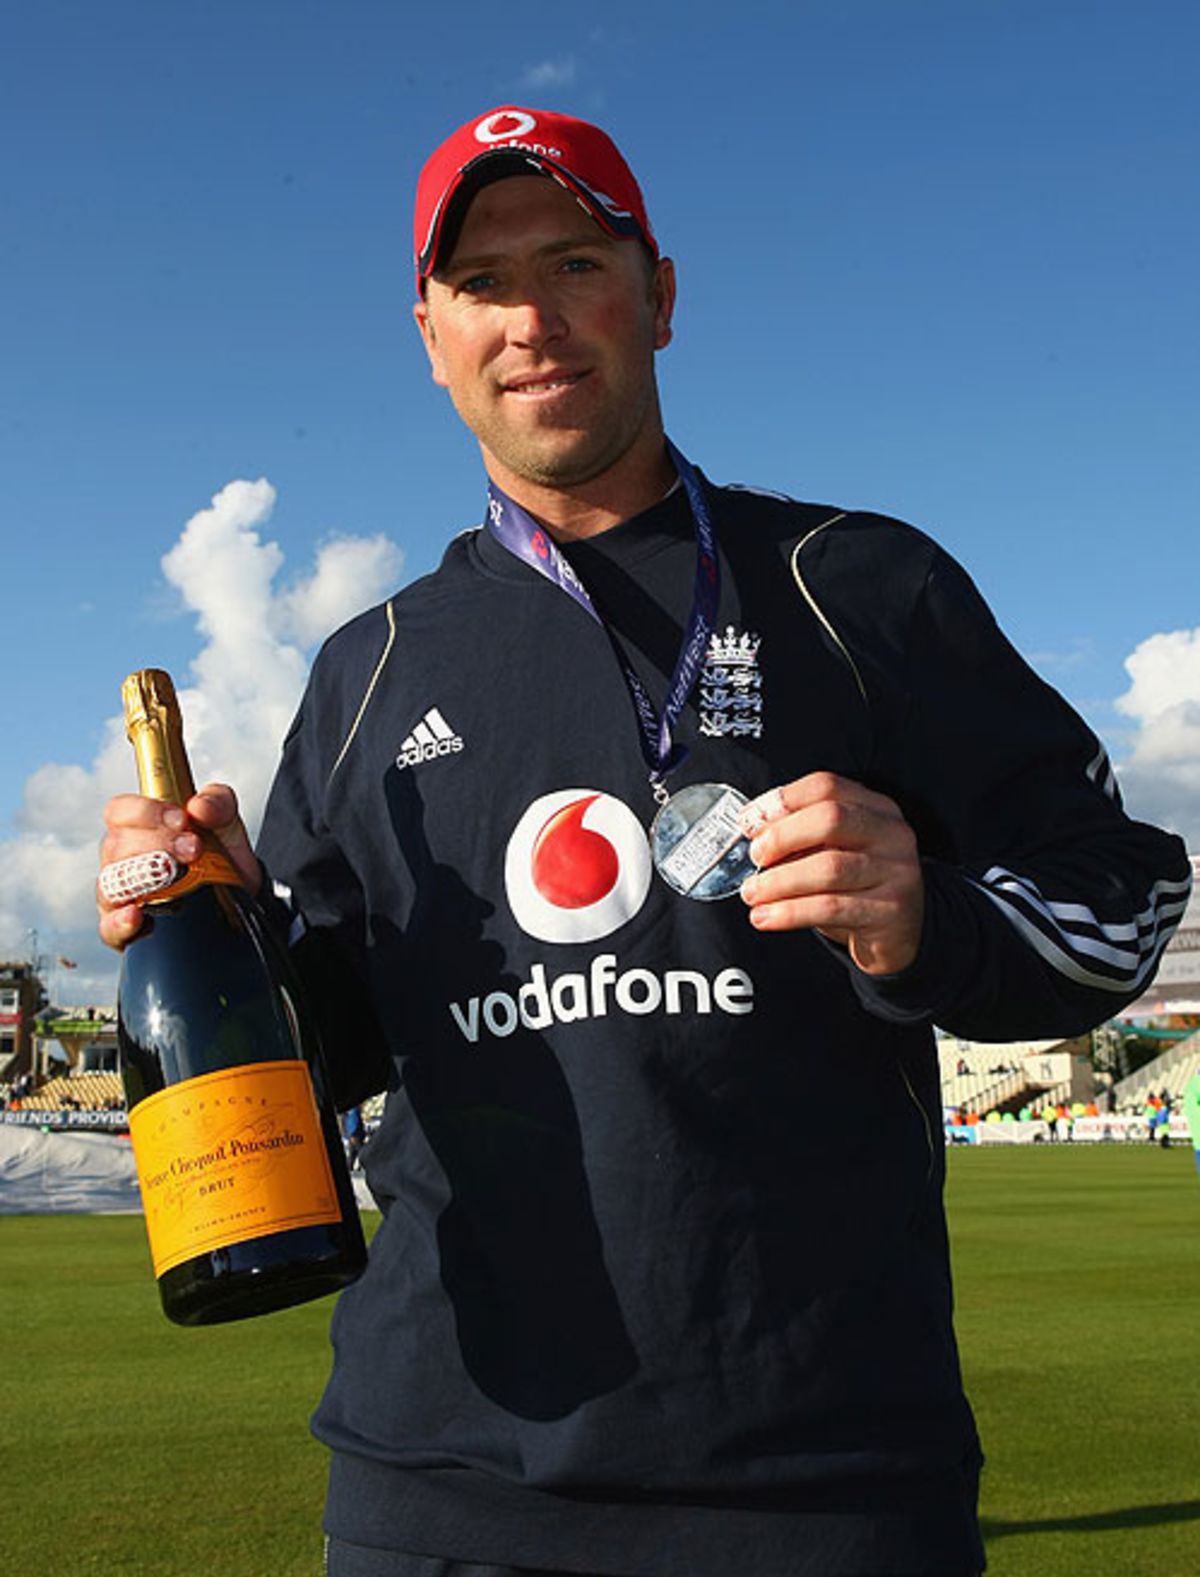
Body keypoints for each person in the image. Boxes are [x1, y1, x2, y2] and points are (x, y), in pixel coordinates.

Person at [98, 105, 1192, 1577]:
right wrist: (225, 926)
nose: (532, 319)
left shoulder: (854, 583)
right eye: (484, 284)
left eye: (574, 262)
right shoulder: (365, 671)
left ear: (661, 293)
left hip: (820, 1492)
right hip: (440, 1492)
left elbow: (1120, 894)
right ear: (429, 334)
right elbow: (337, 1042)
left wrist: (928, 916)